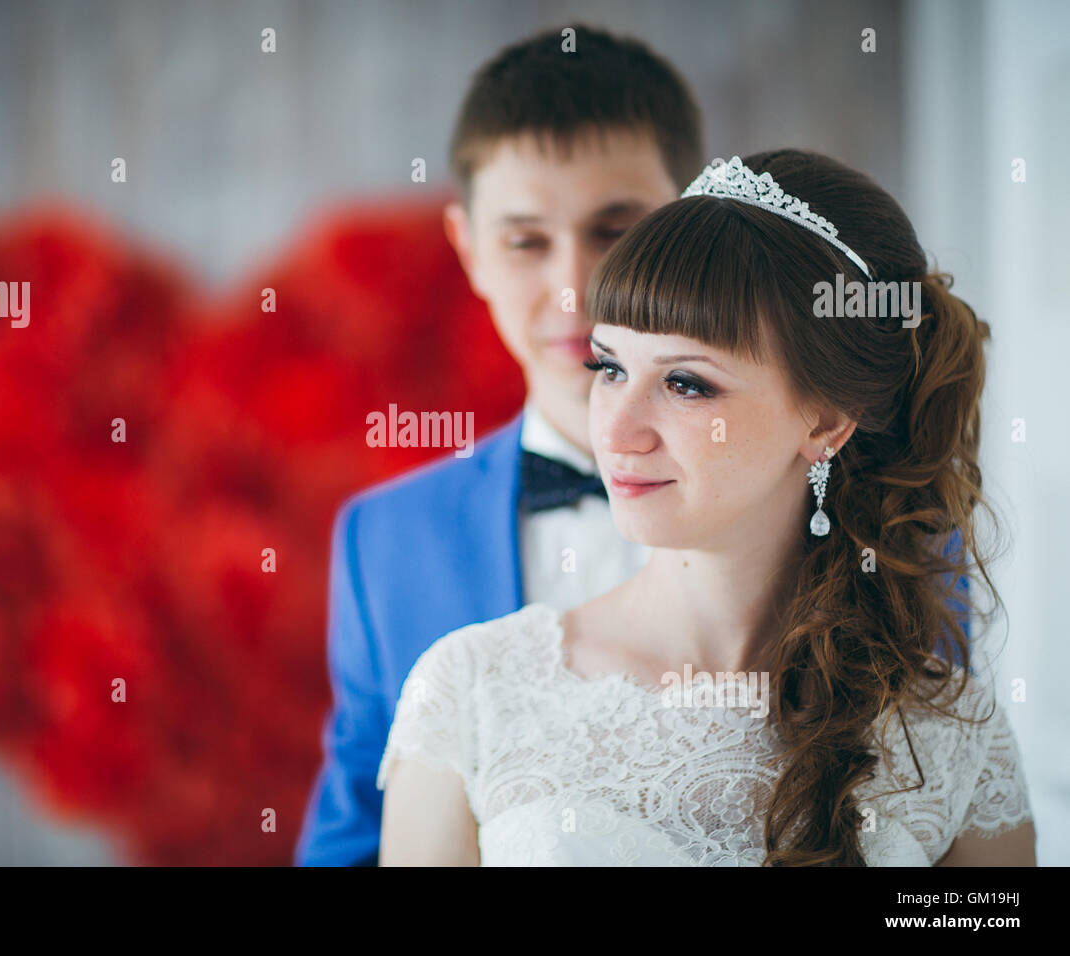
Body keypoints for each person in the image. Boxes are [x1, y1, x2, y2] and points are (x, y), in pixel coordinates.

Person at [376, 149, 1036, 866]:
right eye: (610, 368)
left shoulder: (953, 731)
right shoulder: (472, 692)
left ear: (825, 422)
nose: (616, 431)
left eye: (686, 383)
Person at [295, 24, 705, 866]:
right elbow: (352, 843)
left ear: (695, 233)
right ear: (469, 250)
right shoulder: (386, 543)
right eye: (526, 241)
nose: (574, 288)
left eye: (615, 229)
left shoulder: (860, 509)